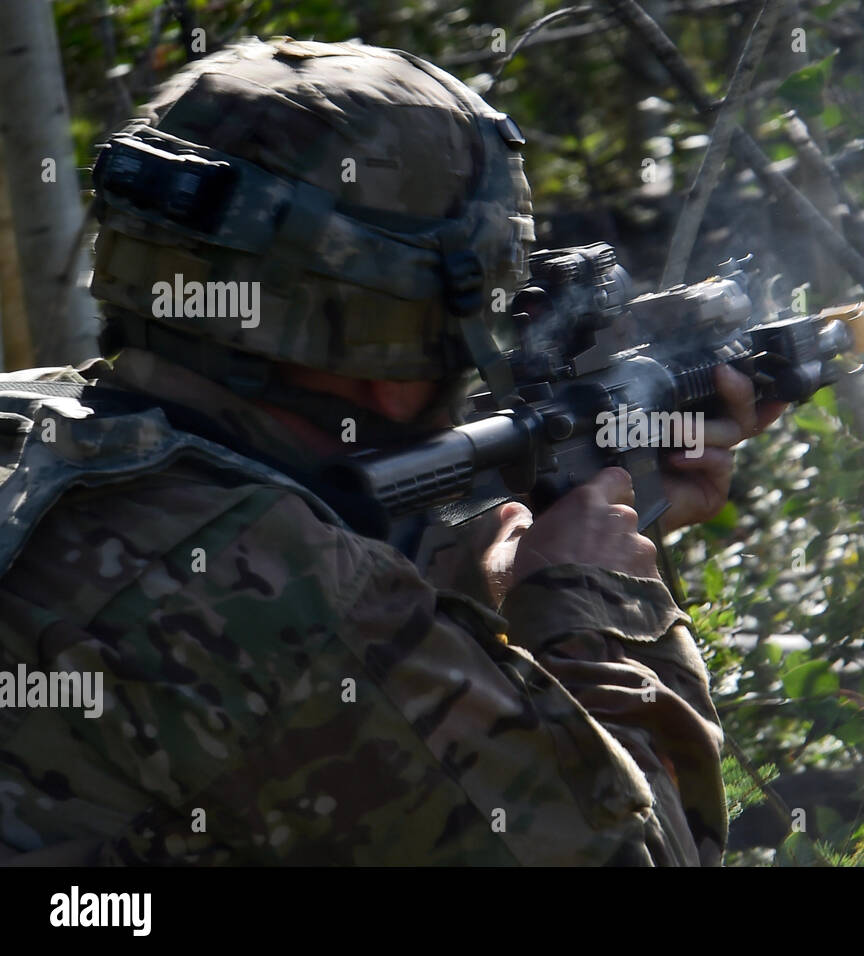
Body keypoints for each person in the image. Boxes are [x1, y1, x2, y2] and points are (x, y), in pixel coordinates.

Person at [0, 37, 781, 865]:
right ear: (395, 330)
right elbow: (643, 853)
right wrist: (591, 601)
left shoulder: (33, 421)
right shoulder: (287, 598)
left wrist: (457, 572)